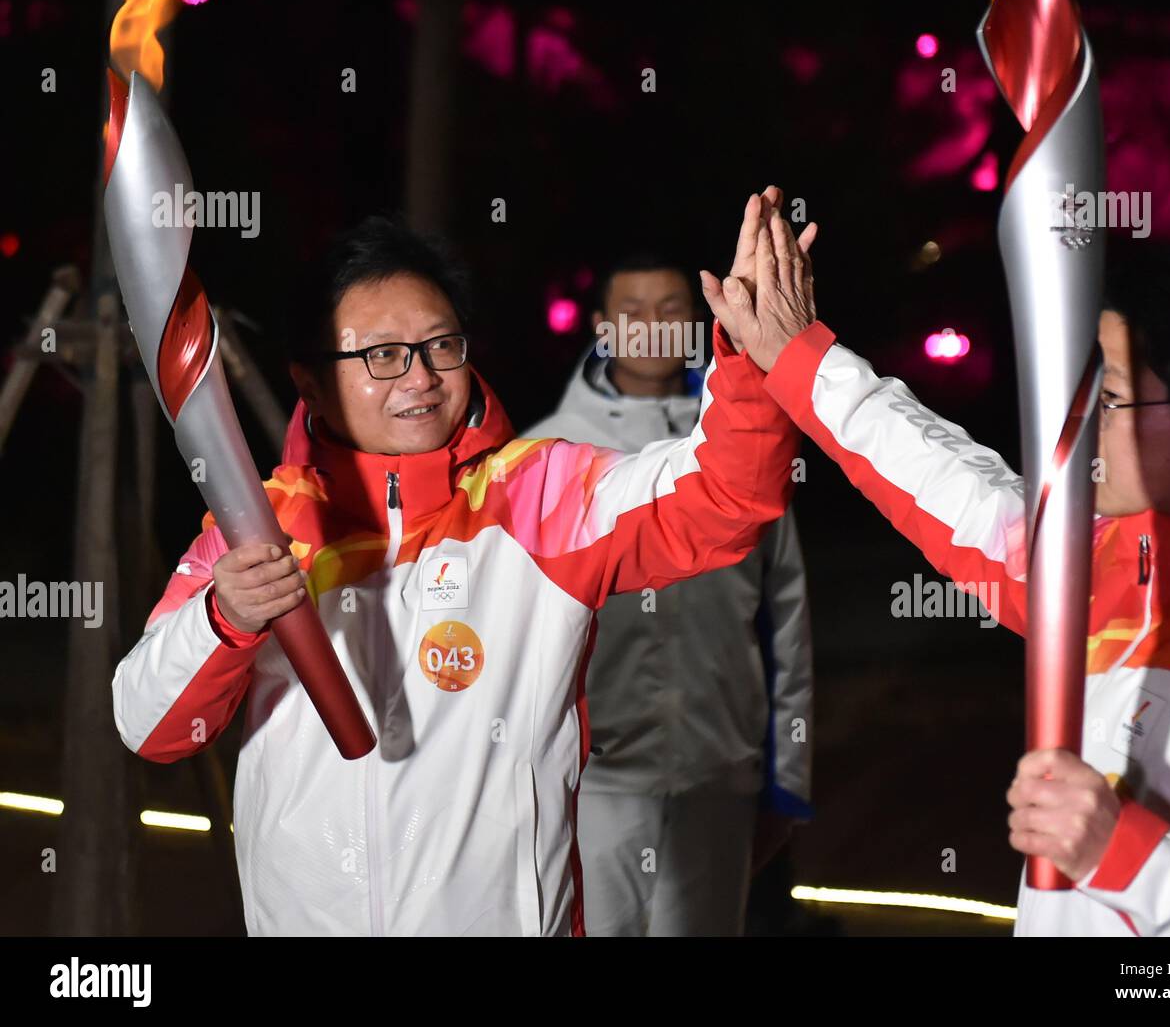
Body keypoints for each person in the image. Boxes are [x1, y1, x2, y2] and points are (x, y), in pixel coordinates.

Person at [111, 194, 803, 937]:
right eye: (380, 356)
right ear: (308, 379)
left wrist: (756, 366)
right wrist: (226, 620)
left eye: (442, 346)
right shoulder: (261, 528)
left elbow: (728, 497)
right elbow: (151, 727)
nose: (421, 379)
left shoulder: (543, 496)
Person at [703, 211, 1170, 937]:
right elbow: (947, 484)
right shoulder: (1108, 563)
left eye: (1107, 401)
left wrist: (1128, 856)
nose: (1075, 430)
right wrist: (797, 355)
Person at [528, 250, 813, 937]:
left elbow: (787, 616)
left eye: (670, 310)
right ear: (602, 328)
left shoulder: (748, 449)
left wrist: (787, 778)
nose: (651, 328)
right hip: (591, 785)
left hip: (718, 773)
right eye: (631, 312)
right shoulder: (545, 456)